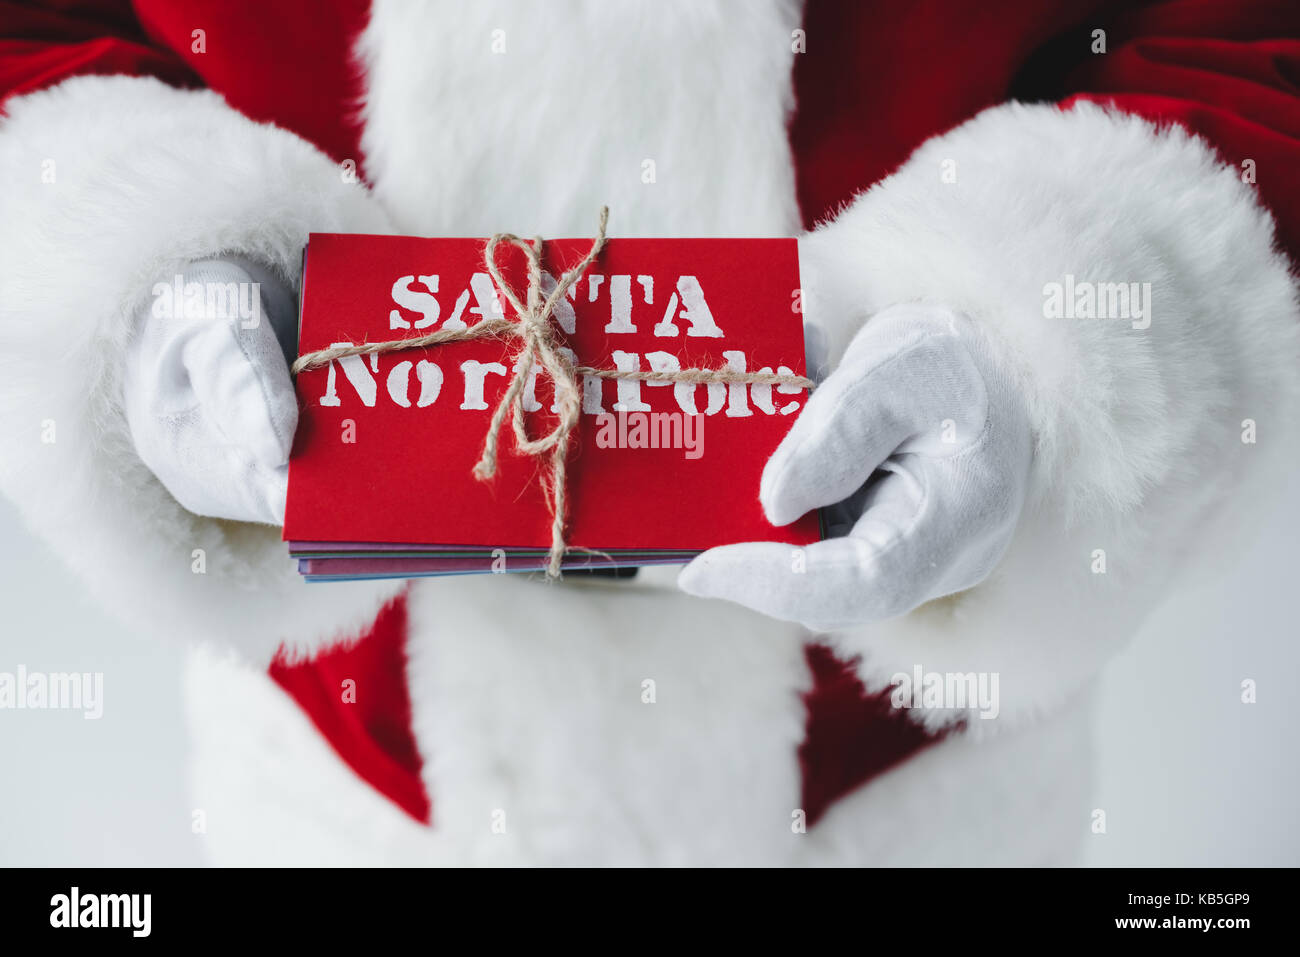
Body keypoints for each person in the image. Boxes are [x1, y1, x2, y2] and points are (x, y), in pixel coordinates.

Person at [1, 0, 1297, 865]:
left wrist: (1056, 360)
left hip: (905, 796)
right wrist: (124, 278)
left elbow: (1246, 35)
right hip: (344, 782)